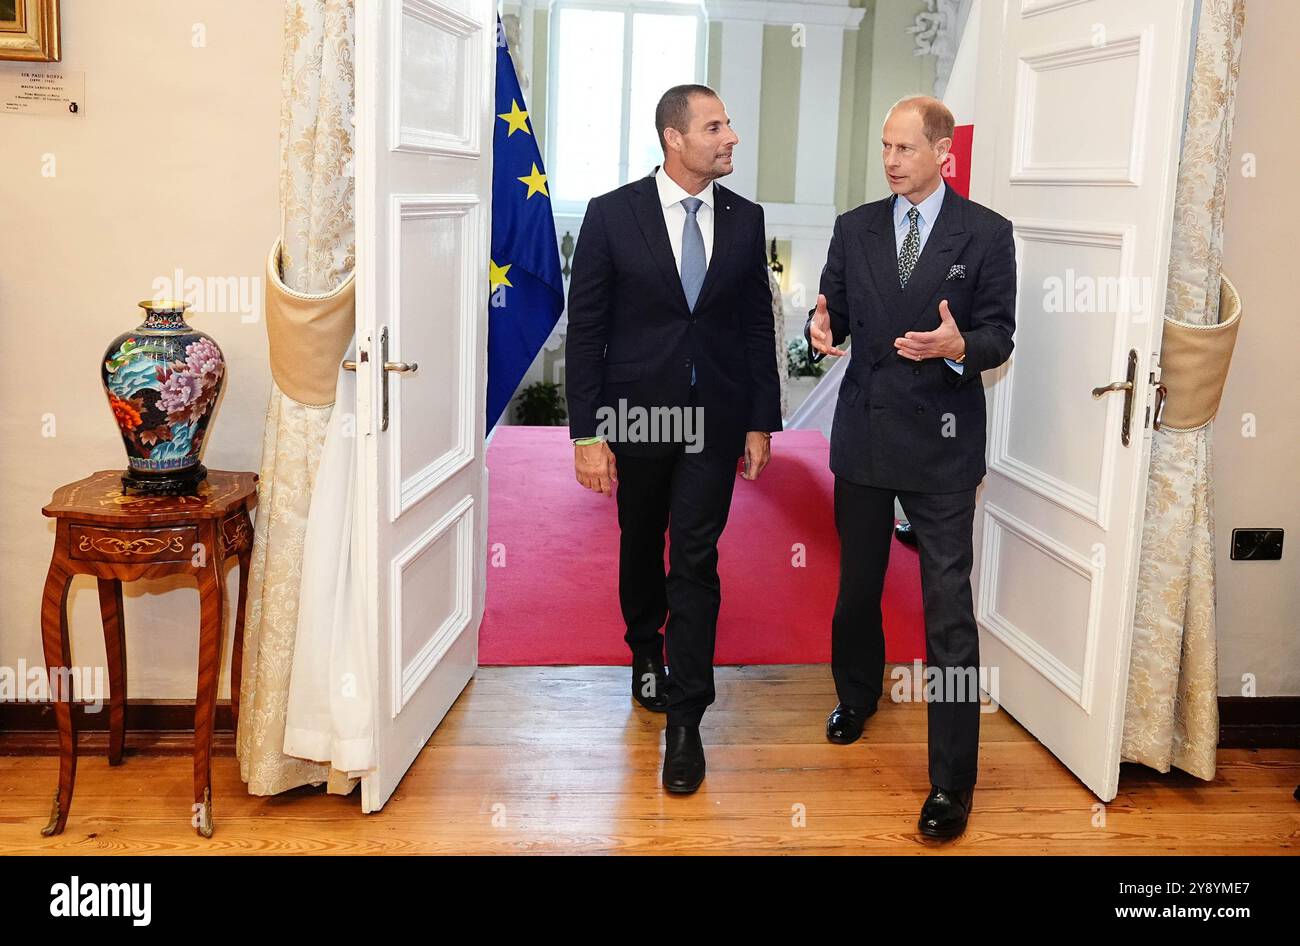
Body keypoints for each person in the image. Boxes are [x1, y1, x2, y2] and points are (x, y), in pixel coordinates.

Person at [807, 95, 1016, 838]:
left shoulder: (987, 234)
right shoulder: (853, 226)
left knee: (949, 617)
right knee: (857, 587)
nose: (891, 160)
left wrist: (960, 347)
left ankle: (951, 785)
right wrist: (819, 325)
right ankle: (857, 696)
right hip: (863, 439)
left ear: (942, 154)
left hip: (943, 447)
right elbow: (833, 313)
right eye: (885, 147)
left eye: (904, 148)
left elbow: (998, 336)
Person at [565, 84, 782, 794]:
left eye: (729, 124)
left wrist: (759, 419)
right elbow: (587, 331)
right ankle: (643, 651)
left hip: (714, 417)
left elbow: (757, 327)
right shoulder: (611, 215)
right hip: (637, 413)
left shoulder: (746, 221)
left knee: (695, 554)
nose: (732, 138)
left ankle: (686, 719)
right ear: (673, 138)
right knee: (641, 537)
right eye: (716, 126)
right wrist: (588, 434)